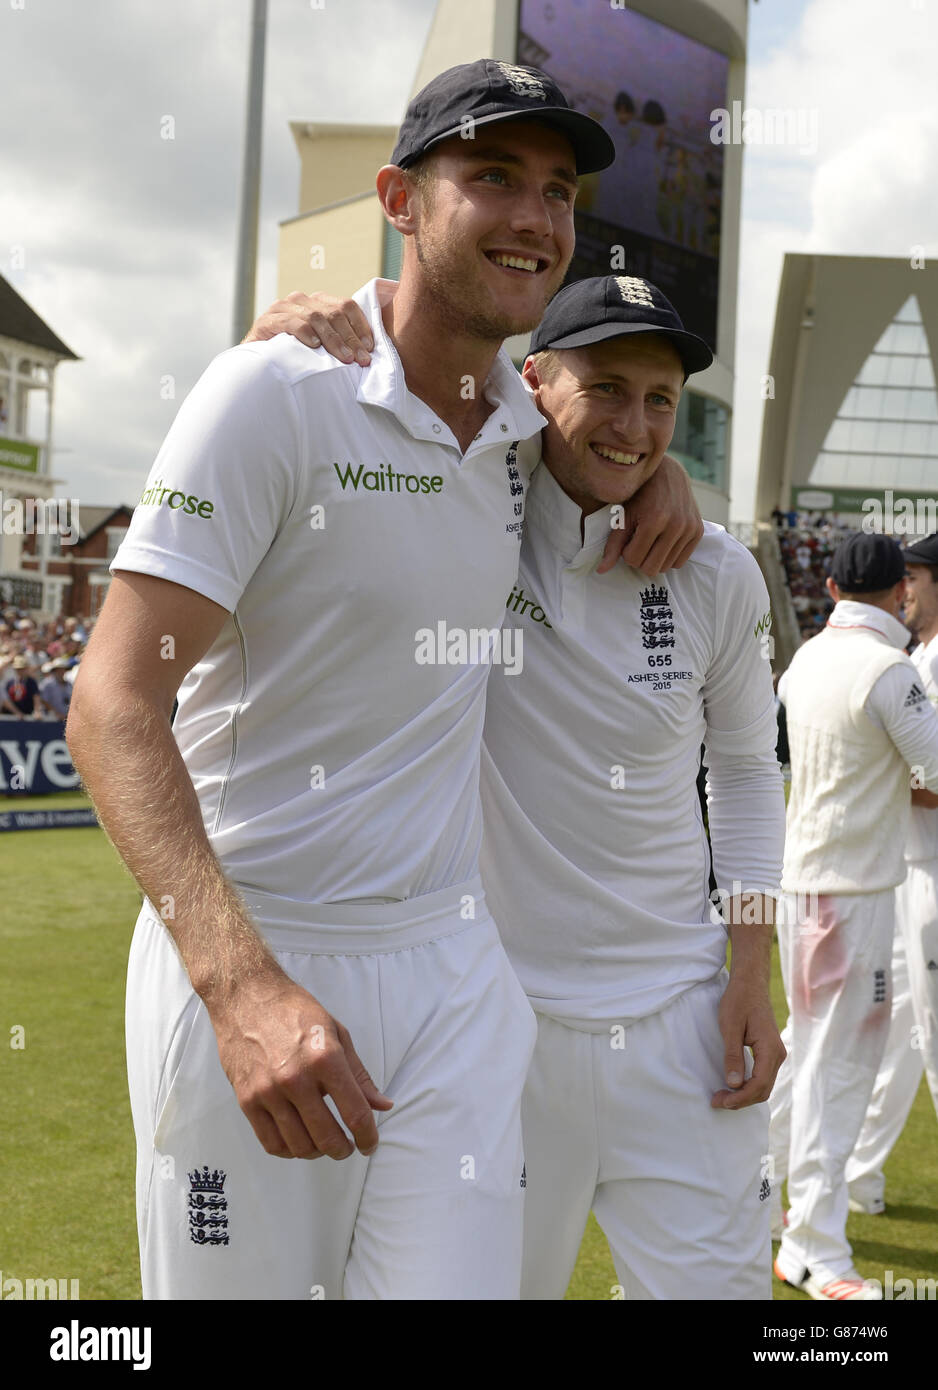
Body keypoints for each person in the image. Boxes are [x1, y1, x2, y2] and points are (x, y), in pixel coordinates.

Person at [66, 61, 701, 1302]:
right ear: (398, 200)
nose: (534, 216)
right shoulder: (271, 393)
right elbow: (110, 701)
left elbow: (610, 432)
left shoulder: (525, 435)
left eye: (557, 190)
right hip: (261, 952)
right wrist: (239, 985)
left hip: (455, 974)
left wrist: (652, 472)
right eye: (493, 178)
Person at [265, 274, 787, 1300]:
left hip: (683, 1031)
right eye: (604, 389)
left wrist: (748, 968)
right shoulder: (465, 509)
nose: (633, 426)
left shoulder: (715, 571)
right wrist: (284, 340)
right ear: (532, 380)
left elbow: (743, 770)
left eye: (659, 401)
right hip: (492, 1028)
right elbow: (370, 417)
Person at [770, 532, 938, 1300]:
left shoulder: (807, 657)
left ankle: (784, 1220)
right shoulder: (889, 668)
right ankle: (817, 1251)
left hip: (804, 886)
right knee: (838, 1073)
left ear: (832, 588)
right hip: (855, 898)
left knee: (811, 1060)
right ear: (898, 591)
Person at [844, 535, 938, 1212]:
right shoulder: (917, 656)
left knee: (930, 1038)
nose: (904, 589)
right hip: (909, 868)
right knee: (896, 1036)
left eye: (916, 577)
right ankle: (859, 1178)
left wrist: (869, 775)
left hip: (933, 874)